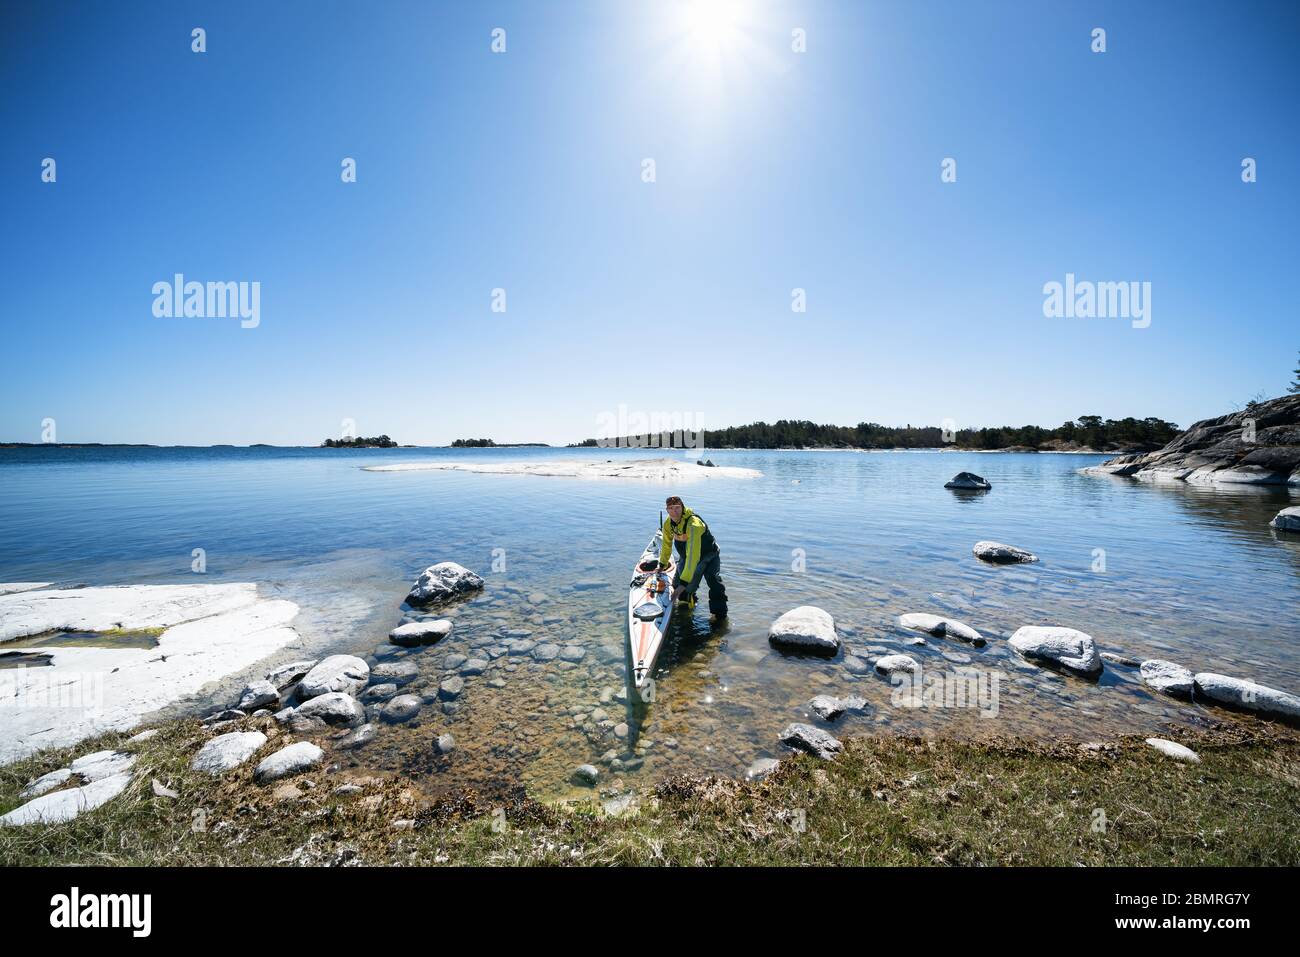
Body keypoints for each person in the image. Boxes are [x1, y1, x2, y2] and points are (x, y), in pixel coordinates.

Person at [655, 495, 727, 623]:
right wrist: (662, 564)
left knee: (713, 582)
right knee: (678, 587)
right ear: (667, 510)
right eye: (671, 508)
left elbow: (694, 555)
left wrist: (684, 583)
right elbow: (666, 545)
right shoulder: (668, 524)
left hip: (708, 556)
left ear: (682, 508)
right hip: (687, 557)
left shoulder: (694, 524)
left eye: (677, 507)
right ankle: (686, 612)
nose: (674, 511)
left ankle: (720, 618)